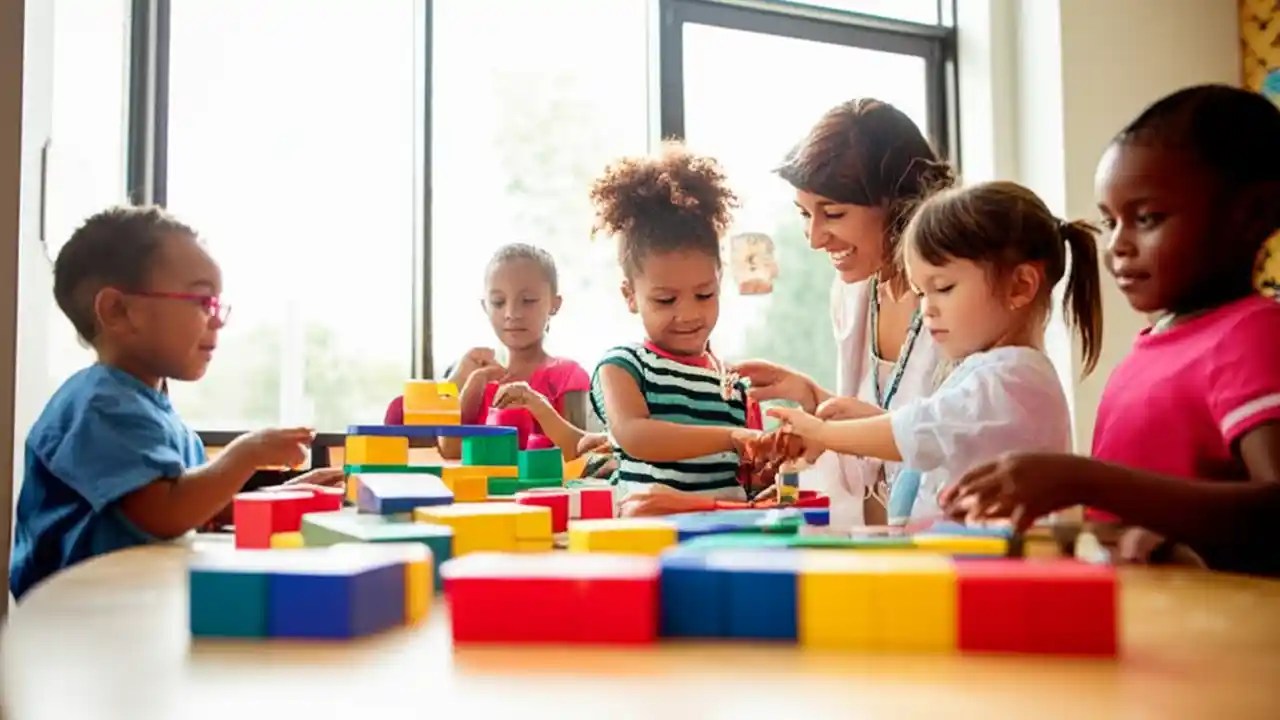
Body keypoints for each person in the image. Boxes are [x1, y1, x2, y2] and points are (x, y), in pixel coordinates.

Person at [942, 84, 1280, 576]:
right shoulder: (1150, 351)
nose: (1118, 245)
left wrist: (1083, 479)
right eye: (1110, 222)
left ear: (1252, 215)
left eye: (1146, 218)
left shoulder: (1253, 334)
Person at [9, 206, 336, 600]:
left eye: (217, 304)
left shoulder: (146, 406)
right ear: (118, 311)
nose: (217, 320)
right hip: (83, 617)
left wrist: (280, 498)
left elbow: (194, 508)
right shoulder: (101, 405)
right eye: (201, 301)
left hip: (126, 606)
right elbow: (164, 514)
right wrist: (246, 453)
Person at [770, 181, 1103, 516]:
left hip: (993, 565)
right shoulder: (988, 374)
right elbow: (942, 439)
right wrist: (879, 421)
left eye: (943, 287)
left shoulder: (1014, 378)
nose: (926, 308)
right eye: (921, 292)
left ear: (1020, 286)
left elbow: (927, 430)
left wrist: (824, 434)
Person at [734, 98, 955, 524]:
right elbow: (867, 451)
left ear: (899, 203)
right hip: (875, 538)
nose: (815, 238)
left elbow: (966, 441)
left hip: (947, 543)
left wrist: (845, 427)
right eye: (804, 214)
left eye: (832, 213)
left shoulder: (956, 300)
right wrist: (812, 398)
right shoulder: (853, 293)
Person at [588, 142, 769, 499]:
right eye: (665, 299)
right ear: (630, 296)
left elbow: (745, 479)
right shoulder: (623, 367)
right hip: (648, 538)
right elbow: (635, 436)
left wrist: (768, 463)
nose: (688, 314)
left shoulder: (732, 382)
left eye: (704, 294)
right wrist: (731, 437)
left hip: (723, 540)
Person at [384, 243, 590, 459]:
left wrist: (537, 406)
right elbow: (449, 450)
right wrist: (469, 387)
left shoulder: (567, 375)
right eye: (498, 302)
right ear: (485, 307)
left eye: (528, 301)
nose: (511, 313)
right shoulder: (482, 380)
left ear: (554, 304)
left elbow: (582, 451)